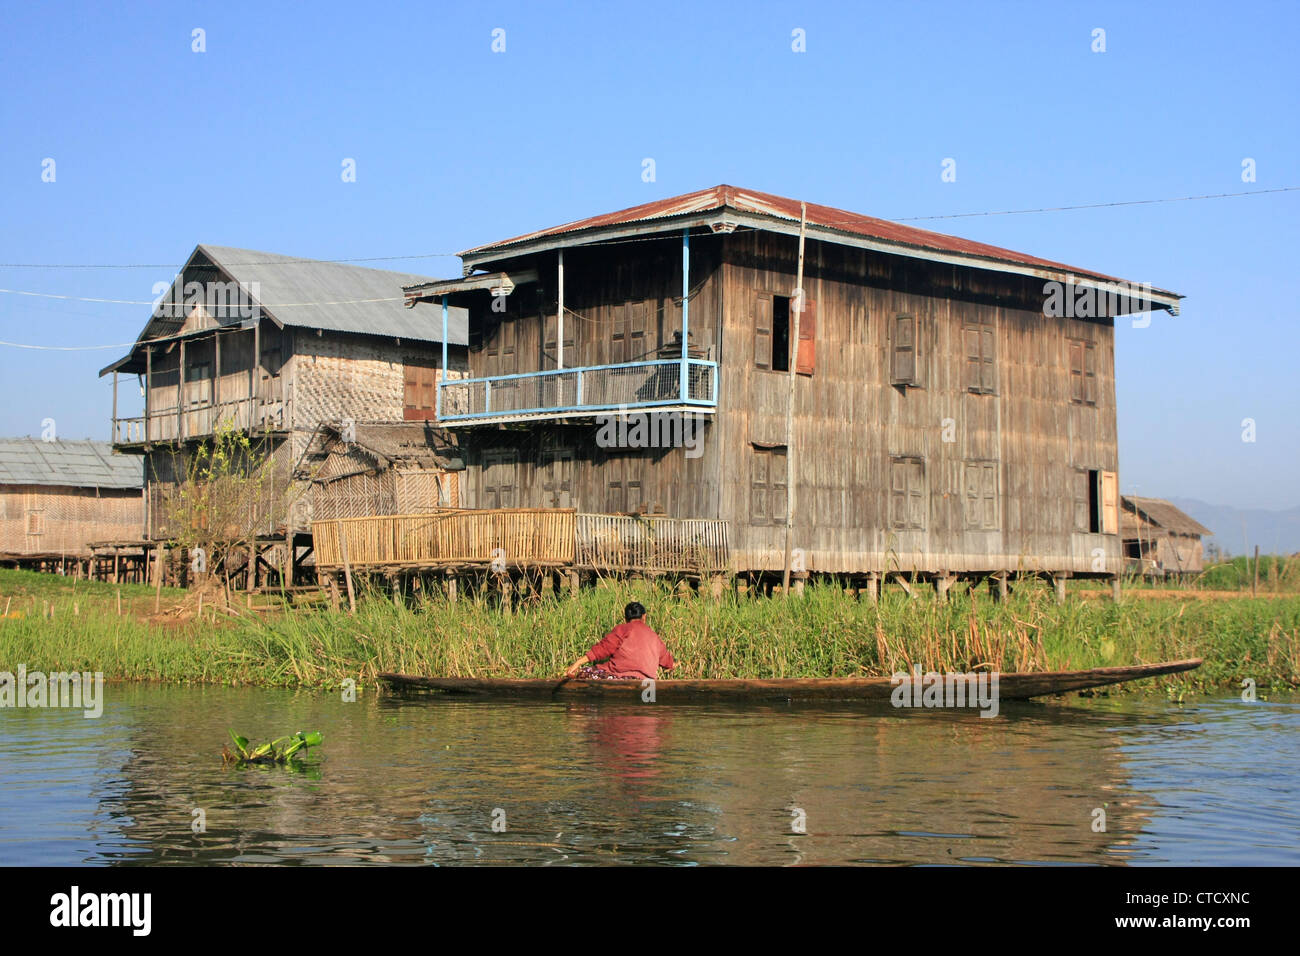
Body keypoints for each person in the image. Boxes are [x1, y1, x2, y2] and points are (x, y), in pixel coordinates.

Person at [564, 601, 675, 680]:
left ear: (625, 618)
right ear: (644, 617)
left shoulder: (623, 629)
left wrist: (578, 663)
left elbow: (602, 649)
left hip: (621, 677)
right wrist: (674, 665)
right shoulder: (654, 636)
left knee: (584, 673)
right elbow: (667, 661)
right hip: (646, 680)